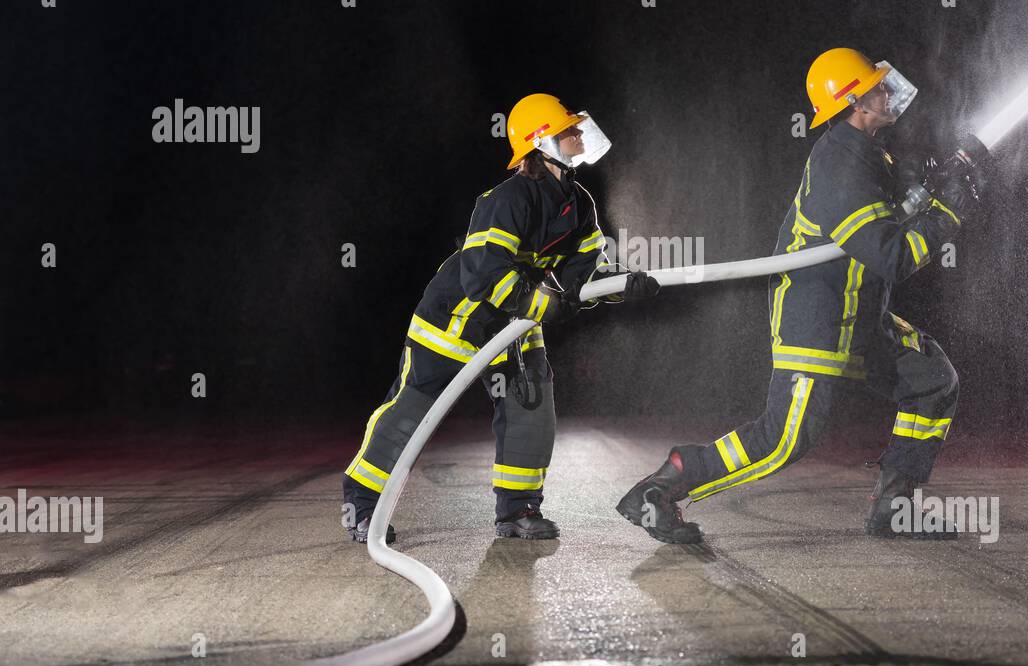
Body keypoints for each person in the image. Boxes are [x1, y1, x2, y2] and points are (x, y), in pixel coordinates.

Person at [616, 48, 983, 543]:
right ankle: (662, 488)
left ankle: (894, 508)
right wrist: (947, 216)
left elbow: (885, 221)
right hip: (819, 314)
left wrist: (925, 183)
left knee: (931, 380)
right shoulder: (840, 161)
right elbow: (892, 257)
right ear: (853, 99)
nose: (886, 90)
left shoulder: (868, 152)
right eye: (876, 85)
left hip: (859, 312)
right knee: (784, 439)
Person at [342, 93, 657, 544]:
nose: (576, 135)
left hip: (514, 326)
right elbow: (485, 274)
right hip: (456, 322)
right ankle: (363, 505)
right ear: (541, 140)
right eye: (566, 129)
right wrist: (543, 306)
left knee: (531, 411)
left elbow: (581, 272)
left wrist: (621, 284)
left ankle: (518, 511)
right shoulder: (507, 199)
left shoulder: (577, 201)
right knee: (410, 412)